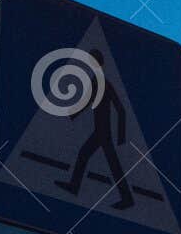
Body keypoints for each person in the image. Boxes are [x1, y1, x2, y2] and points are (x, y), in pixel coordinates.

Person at [55, 50, 135, 210]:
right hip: (100, 130)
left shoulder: (100, 82)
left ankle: (126, 198)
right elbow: (88, 101)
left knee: (109, 163)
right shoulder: (99, 81)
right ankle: (74, 186)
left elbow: (120, 109)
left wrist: (121, 136)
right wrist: (73, 114)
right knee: (87, 155)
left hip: (103, 131)